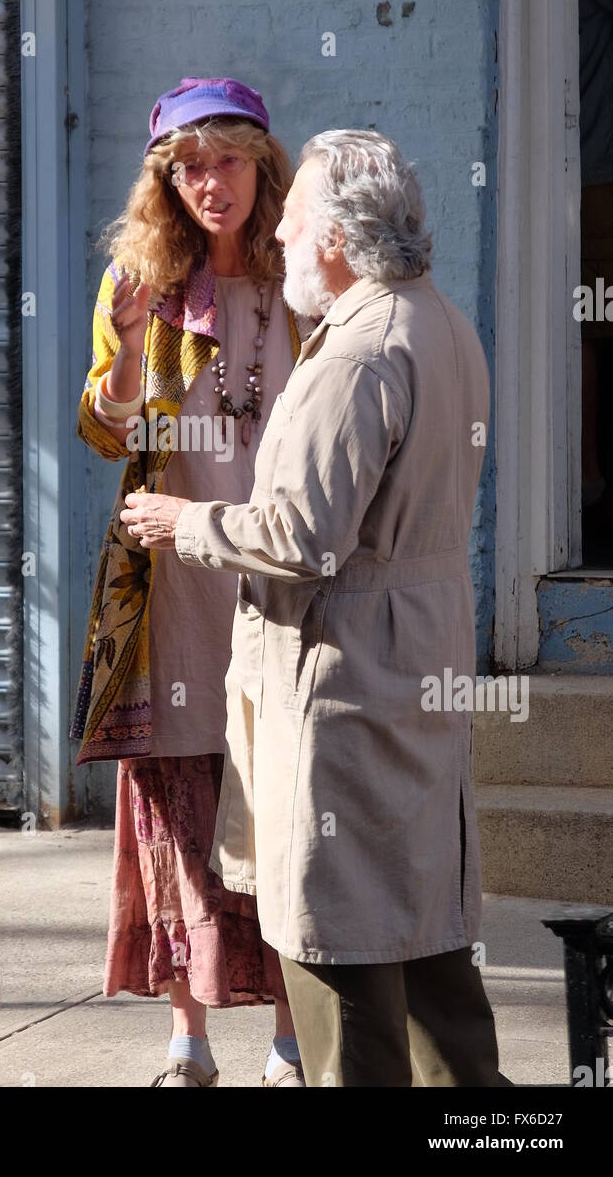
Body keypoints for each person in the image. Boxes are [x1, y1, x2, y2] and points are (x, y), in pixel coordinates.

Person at [123, 129, 506, 1087]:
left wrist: (187, 519)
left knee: (342, 951)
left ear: (333, 235)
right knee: (427, 940)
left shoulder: (361, 351)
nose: (282, 235)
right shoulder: (436, 322)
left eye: (293, 221)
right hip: (408, 661)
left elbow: (301, 535)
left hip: (345, 677)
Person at [74, 77, 313, 1087]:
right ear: (164, 184)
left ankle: (293, 1036)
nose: (209, 185)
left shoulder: (308, 275)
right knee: (176, 807)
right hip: (171, 586)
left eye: (227, 162)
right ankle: (187, 1038)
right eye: (188, 169)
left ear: (264, 167)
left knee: (288, 810)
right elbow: (104, 429)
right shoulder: (141, 278)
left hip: (276, 577)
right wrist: (127, 352)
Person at [578, 0, 613, 559]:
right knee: (592, 330)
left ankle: (588, 484)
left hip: (586, 172)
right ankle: (590, 488)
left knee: (584, 328)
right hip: (597, 175)